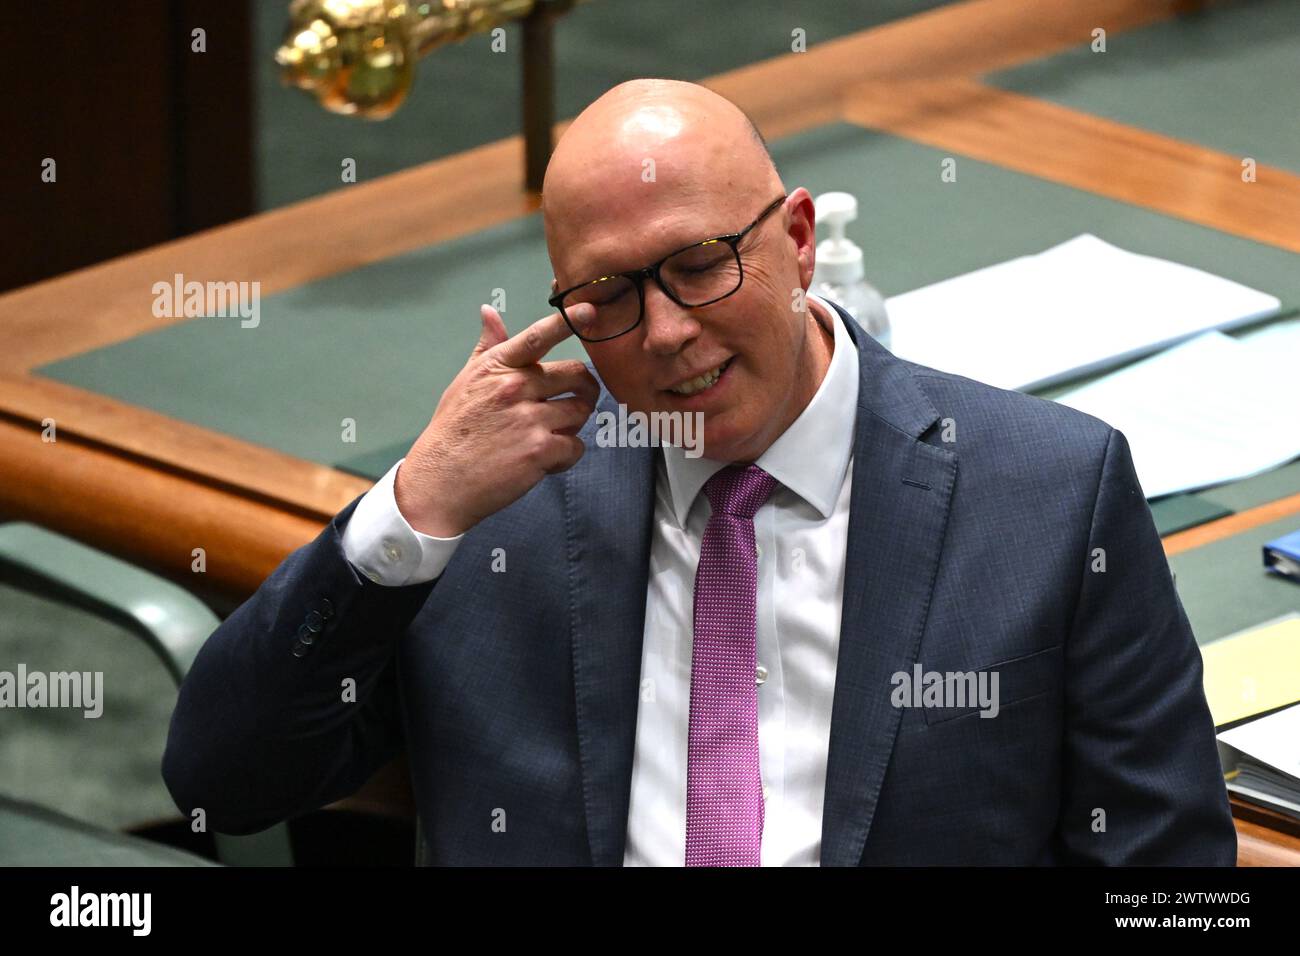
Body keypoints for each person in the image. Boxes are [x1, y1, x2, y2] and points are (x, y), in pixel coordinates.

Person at [163, 78, 1236, 866]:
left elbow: (1170, 876)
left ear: (800, 239)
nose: (667, 332)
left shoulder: (1049, 495)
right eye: (609, 296)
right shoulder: (497, 511)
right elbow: (225, 784)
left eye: (698, 265)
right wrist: (408, 513)